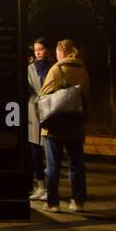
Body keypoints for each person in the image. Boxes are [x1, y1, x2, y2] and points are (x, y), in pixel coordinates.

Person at [39, 39, 90, 213]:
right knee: (76, 164)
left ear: (61, 52)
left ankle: (53, 203)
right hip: (76, 124)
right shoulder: (83, 69)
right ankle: (78, 201)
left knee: (53, 165)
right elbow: (86, 96)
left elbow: (44, 95)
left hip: (55, 126)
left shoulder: (56, 69)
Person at [27, 38, 54, 201]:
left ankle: (51, 188)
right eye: (35, 49)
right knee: (35, 151)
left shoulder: (53, 68)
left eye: (41, 49)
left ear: (48, 50)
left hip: (49, 110)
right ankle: (41, 186)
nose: (37, 52)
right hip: (33, 111)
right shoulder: (30, 68)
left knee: (50, 151)